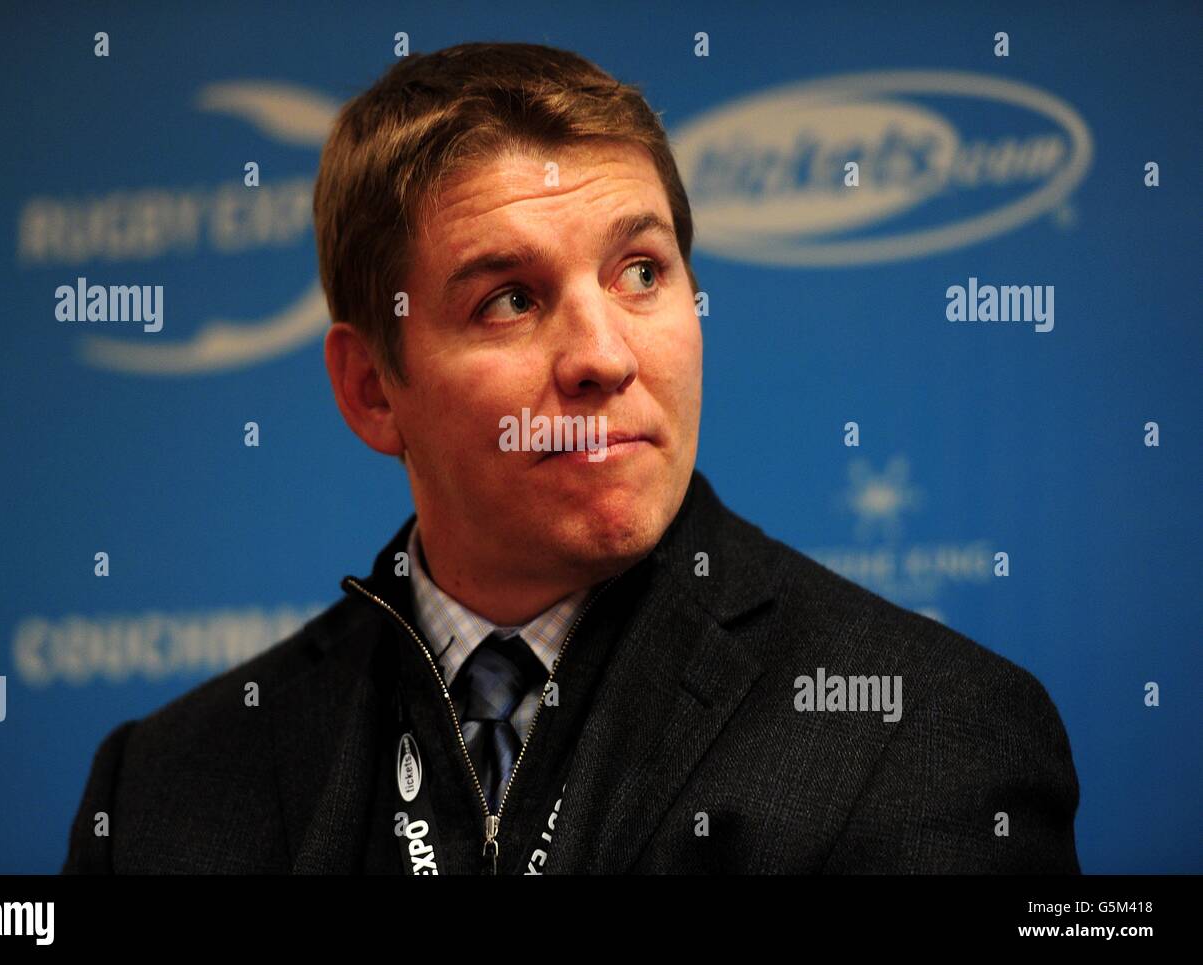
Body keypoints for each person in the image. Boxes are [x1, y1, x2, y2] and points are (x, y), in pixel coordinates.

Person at [61, 41, 1081, 874]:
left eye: (641, 270)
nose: (603, 353)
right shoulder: (166, 789)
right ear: (374, 388)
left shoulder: (926, 733)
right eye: (508, 297)